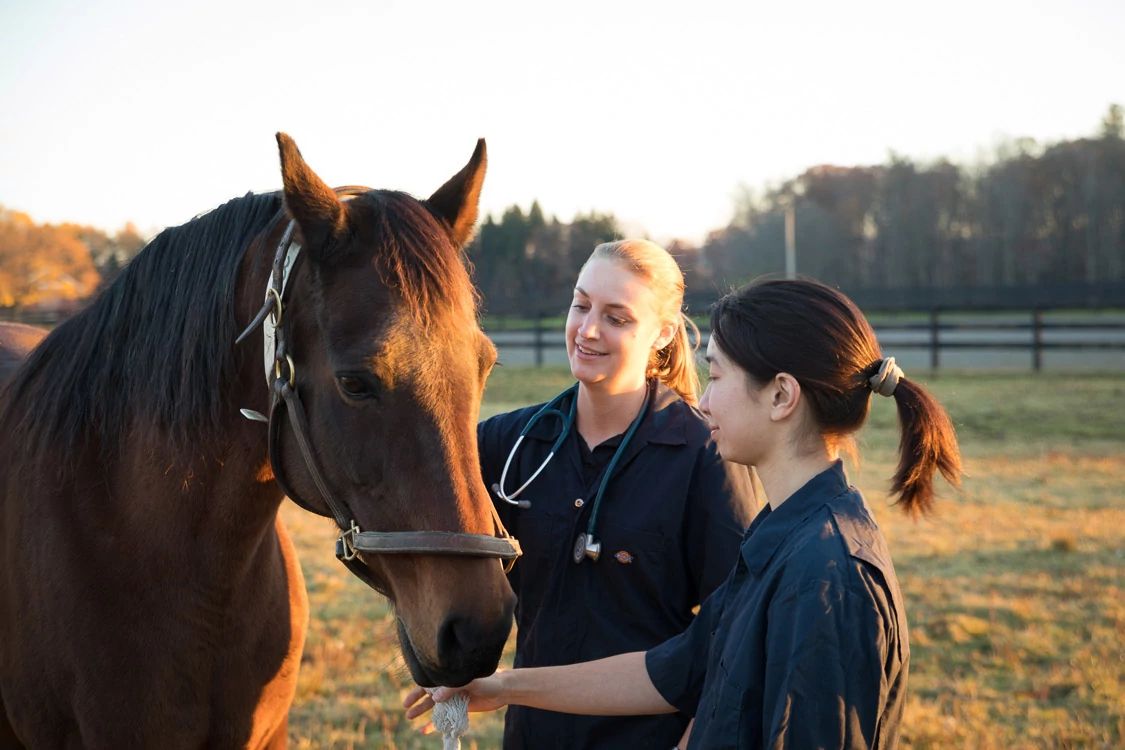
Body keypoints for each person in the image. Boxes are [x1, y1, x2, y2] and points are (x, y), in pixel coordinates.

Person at [406, 277, 963, 749]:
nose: (703, 400)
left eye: (717, 377)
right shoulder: (781, 538)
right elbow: (671, 672)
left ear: (781, 397)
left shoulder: (827, 577)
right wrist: (499, 687)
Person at [446, 239, 758, 748]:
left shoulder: (703, 455)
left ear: (662, 334)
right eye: (580, 304)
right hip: (532, 733)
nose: (588, 330)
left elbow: (739, 632)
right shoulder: (510, 443)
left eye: (617, 317)